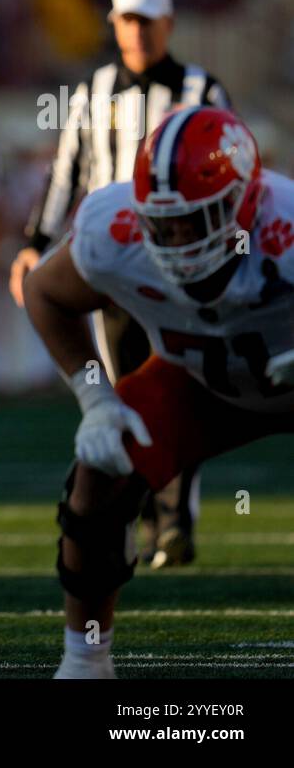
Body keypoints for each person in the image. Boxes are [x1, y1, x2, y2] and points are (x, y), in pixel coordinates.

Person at [22, 106, 294, 678]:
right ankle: (85, 661)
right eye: (163, 225)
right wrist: (95, 396)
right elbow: (45, 292)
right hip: (199, 383)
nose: (177, 241)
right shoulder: (113, 229)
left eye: (197, 221)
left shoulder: (286, 228)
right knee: (99, 472)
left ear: (247, 201)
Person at [11, 0, 231, 568]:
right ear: (113, 24)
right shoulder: (93, 90)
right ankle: (143, 513)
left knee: (180, 380)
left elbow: (230, 172)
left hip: (182, 262)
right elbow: (68, 173)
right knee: (122, 383)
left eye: (146, 20)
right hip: (111, 262)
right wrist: (36, 241)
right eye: (126, 20)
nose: (135, 30)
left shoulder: (200, 90)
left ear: (168, 25)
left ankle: (175, 515)